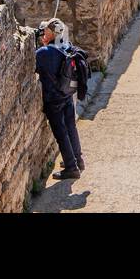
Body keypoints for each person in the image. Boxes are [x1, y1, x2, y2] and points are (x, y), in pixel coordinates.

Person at [35, 18, 84, 180]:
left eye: (45, 31)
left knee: (61, 132)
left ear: (50, 32)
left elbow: (34, 65)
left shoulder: (44, 53)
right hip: (67, 94)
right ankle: (78, 160)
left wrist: (40, 45)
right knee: (71, 127)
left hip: (53, 98)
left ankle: (71, 167)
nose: (43, 33)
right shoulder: (66, 46)